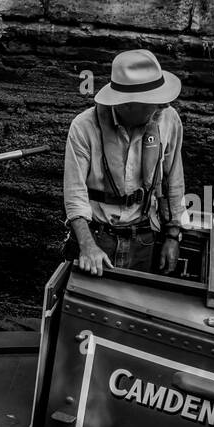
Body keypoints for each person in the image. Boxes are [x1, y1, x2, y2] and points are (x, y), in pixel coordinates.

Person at [63, 49, 186, 276]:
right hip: (97, 237)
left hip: (144, 238)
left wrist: (173, 236)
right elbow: (74, 195)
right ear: (127, 103)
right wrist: (88, 246)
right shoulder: (83, 127)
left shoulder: (169, 120)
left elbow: (173, 180)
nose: (164, 106)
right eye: (155, 101)